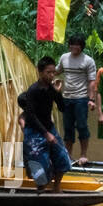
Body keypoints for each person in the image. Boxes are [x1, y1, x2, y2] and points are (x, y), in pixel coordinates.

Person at [17, 55, 72, 193]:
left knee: (63, 159)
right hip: (35, 131)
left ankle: (56, 188)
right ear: (40, 72)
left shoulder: (51, 89)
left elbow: (62, 108)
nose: (52, 75)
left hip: (49, 128)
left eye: (54, 72)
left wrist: (58, 93)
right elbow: (31, 115)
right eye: (49, 72)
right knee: (40, 167)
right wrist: (46, 134)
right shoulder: (33, 90)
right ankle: (40, 191)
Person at [56, 35, 97, 164]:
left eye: (77, 45)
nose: (74, 47)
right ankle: (68, 156)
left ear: (82, 47)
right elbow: (57, 71)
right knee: (68, 128)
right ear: (69, 45)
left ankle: (83, 155)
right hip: (66, 98)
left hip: (81, 99)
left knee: (82, 126)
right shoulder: (64, 57)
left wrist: (92, 99)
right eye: (72, 44)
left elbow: (92, 82)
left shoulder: (88, 61)